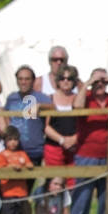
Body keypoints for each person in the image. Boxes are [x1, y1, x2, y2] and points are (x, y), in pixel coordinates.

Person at [67, 68, 108, 214]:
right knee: (82, 195)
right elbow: (77, 106)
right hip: (86, 154)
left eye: (103, 81)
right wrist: (88, 84)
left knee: (106, 195)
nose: (100, 84)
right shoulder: (86, 97)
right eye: (97, 82)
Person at [43, 64, 80, 195]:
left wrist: (74, 139)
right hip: (54, 147)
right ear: (58, 80)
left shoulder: (79, 99)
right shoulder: (49, 98)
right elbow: (45, 126)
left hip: (75, 147)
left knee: (74, 185)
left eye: (69, 79)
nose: (66, 81)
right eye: (62, 78)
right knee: (54, 184)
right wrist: (62, 140)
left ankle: (71, 208)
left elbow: (84, 124)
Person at [0, 125, 33, 214]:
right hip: (8, 191)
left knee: (21, 212)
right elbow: (1, 168)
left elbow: (29, 164)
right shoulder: (2, 155)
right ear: (5, 141)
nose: (13, 142)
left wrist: (28, 166)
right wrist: (11, 167)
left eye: (15, 139)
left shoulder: (22, 154)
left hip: (21, 191)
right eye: (10, 139)